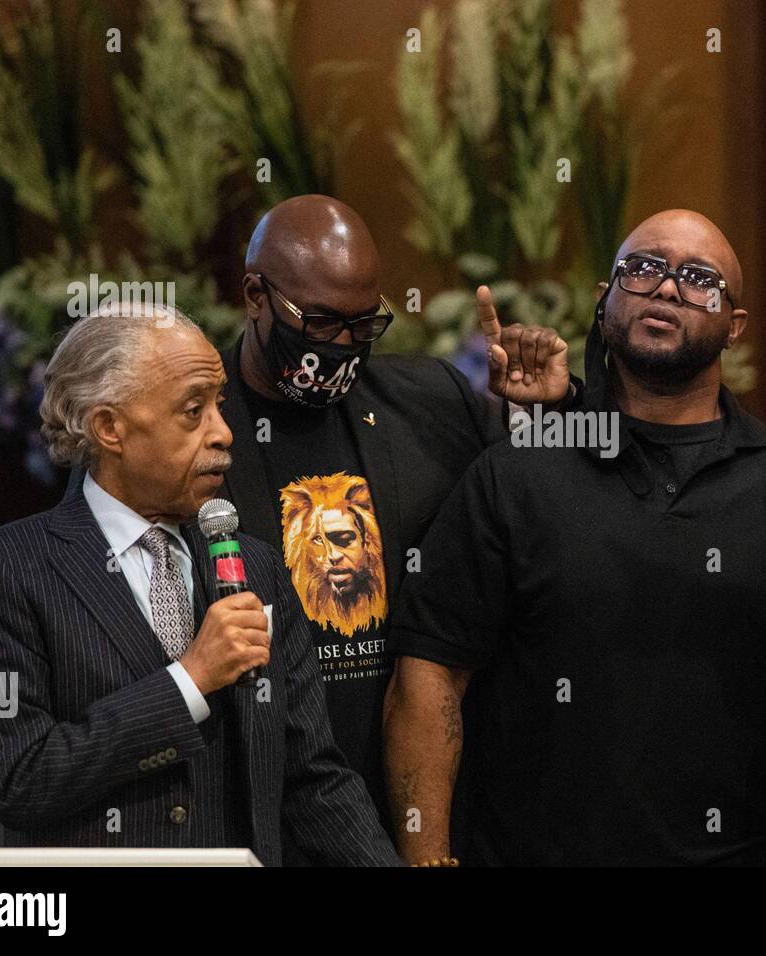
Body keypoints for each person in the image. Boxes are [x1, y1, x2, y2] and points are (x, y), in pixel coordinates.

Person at [64, 196, 575, 851]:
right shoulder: (168, 428)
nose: (343, 345)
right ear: (254, 294)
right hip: (242, 813)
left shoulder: (432, 403)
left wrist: (546, 416)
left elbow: (533, 536)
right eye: (323, 321)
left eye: (365, 324)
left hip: (412, 806)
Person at [383, 209, 766, 865]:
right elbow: (429, 674)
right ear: (605, 300)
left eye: (699, 278)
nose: (668, 288)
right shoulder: (515, 478)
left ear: (735, 326)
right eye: (644, 268)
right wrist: (427, 859)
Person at [0, 305, 398, 865]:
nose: (223, 432)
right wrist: (190, 680)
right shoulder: (4, 569)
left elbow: (312, 778)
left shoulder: (254, 567)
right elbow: (22, 781)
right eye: (194, 411)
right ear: (109, 428)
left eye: (219, 404)